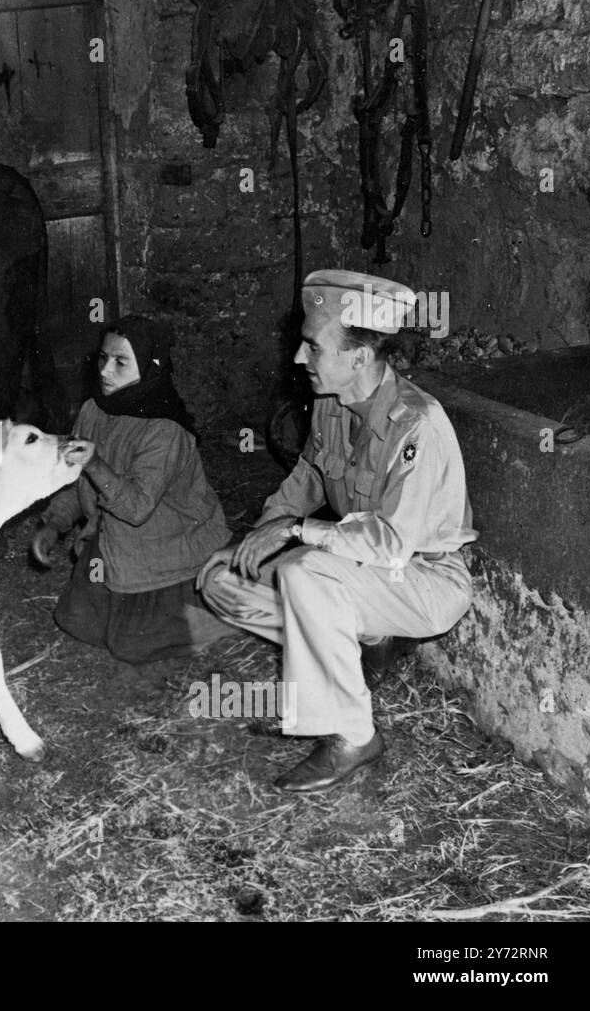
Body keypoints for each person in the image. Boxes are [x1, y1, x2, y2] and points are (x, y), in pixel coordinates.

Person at [198, 269, 477, 792]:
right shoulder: (330, 403)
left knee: (306, 573)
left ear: (358, 357)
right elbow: (305, 479)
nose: (299, 359)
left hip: (423, 578)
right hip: (354, 566)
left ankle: (352, 734)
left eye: (311, 346)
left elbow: (392, 545)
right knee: (221, 585)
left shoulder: (417, 425)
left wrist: (297, 532)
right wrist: (251, 541)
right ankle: (339, 671)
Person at [33, 316, 234, 663]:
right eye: (103, 358)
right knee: (76, 621)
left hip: (165, 548)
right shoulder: (94, 409)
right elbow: (77, 480)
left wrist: (96, 463)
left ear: (150, 367)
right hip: (111, 542)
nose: (105, 371)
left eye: (121, 362)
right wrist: (55, 522)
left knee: (131, 645)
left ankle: (227, 614)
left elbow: (137, 509)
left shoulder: (165, 430)